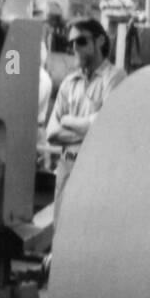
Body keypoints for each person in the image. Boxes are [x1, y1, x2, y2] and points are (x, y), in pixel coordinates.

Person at [45, 18, 126, 221]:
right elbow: (52, 133)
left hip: (96, 169)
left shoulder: (115, 78)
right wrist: (90, 126)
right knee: (62, 228)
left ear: (99, 41)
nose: (74, 48)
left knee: (89, 228)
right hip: (67, 167)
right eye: (71, 43)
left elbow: (106, 128)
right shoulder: (69, 82)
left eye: (81, 41)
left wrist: (68, 120)